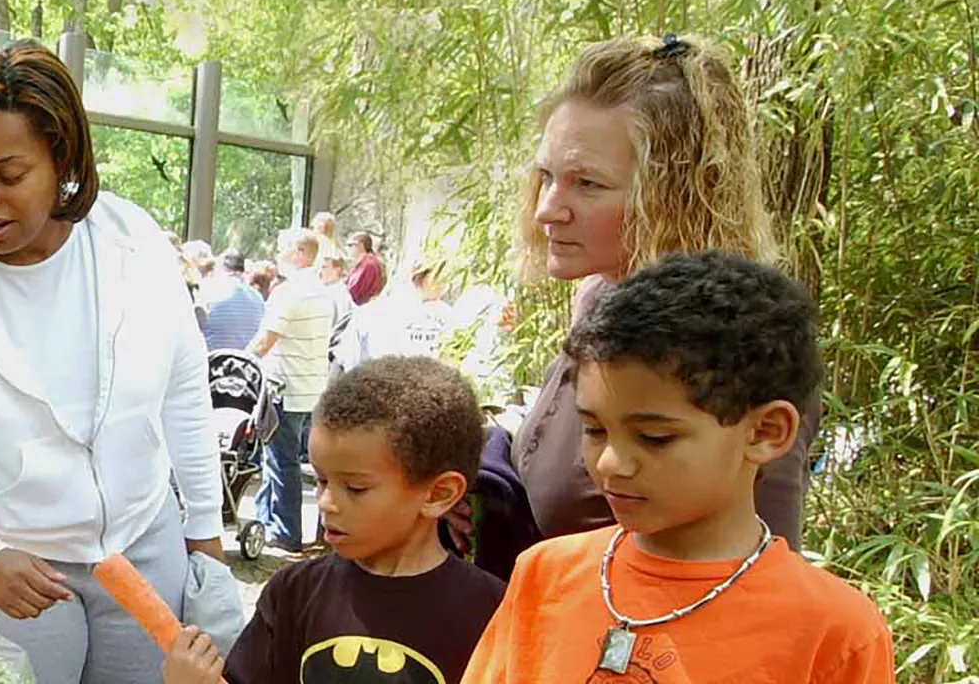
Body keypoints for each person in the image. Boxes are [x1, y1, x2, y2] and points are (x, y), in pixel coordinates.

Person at [0, 41, 223, 683]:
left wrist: (205, 537)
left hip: (144, 545)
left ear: (61, 159)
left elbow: (182, 392)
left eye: (10, 175)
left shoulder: (132, 243)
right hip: (11, 564)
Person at [463, 251, 892, 682]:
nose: (611, 462)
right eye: (594, 430)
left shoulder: (833, 632)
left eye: (654, 437)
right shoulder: (544, 575)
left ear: (765, 431)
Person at [507, 34, 817, 552]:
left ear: (673, 194)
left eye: (588, 184)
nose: (547, 210)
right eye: (547, 177)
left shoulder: (743, 346)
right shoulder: (598, 299)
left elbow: (756, 568)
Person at [163, 356, 505, 684]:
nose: (326, 503)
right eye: (322, 480)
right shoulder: (294, 592)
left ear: (438, 494)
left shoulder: (494, 612)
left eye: (355, 488)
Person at [248, 228, 337, 553]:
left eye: (281, 248)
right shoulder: (323, 292)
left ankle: (286, 532)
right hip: (312, 387)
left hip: (286, 387)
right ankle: (266, 520)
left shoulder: (288, 293)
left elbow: (265, 341)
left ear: (299, 253)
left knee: (281, 461)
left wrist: (240, 360)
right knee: (281, 459)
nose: (276, 253)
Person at [198, 250, 264, 352]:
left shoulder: (208, 289)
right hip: (242, 359)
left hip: (209, 357)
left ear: (220, 267)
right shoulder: (258, 298)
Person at [343, 232, 385, 305]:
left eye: (350, 245)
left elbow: (356, 292)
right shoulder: (362, 262)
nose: (347, 249)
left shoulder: (369, 264)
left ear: (361, 245)